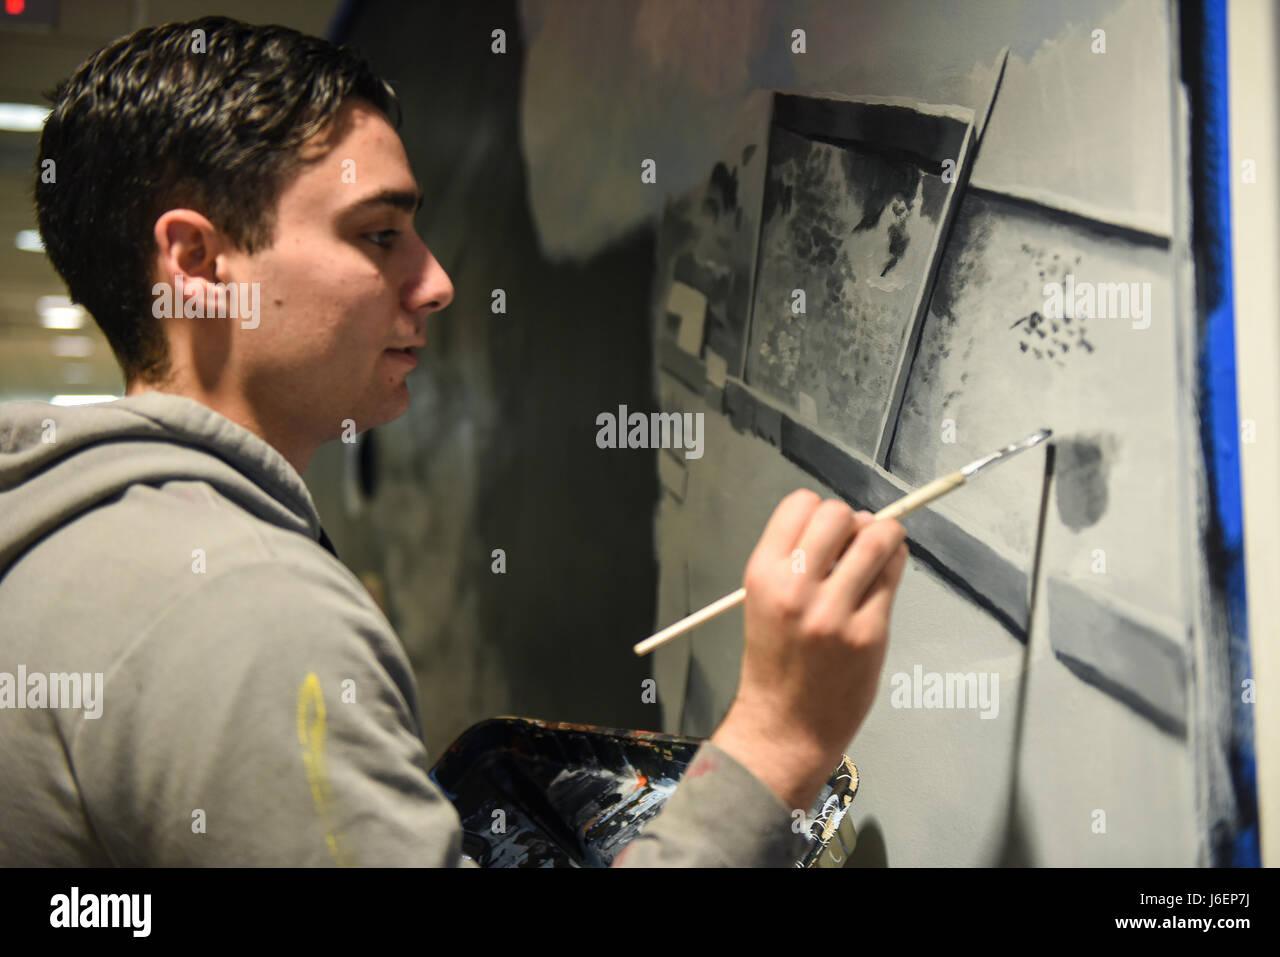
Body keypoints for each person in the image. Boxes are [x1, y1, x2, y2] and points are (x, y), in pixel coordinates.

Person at [0, 16, 908, 867]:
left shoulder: (78, 548)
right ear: (198, 265)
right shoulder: (245, 612)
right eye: (379, 234)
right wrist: (776, 741)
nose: (434, 281)